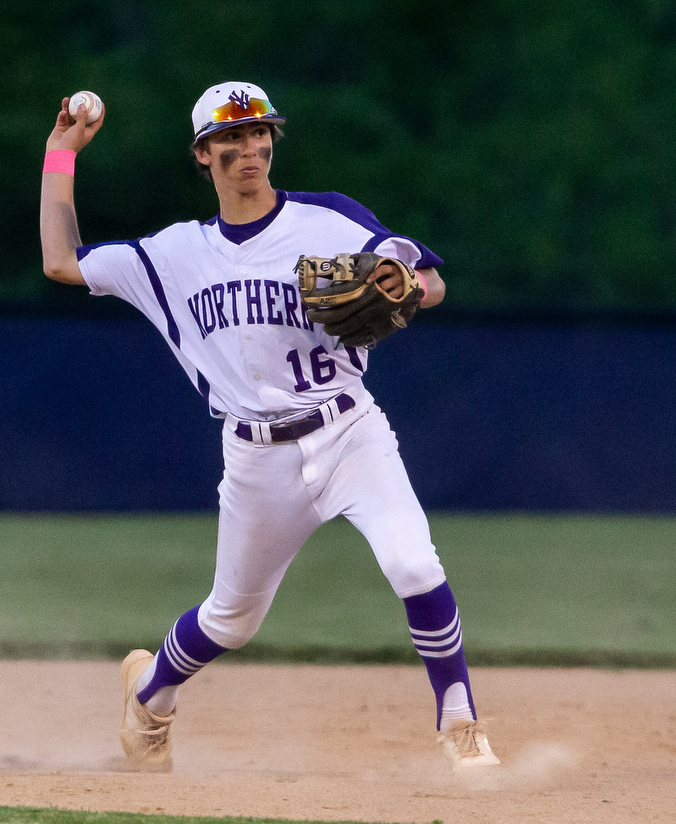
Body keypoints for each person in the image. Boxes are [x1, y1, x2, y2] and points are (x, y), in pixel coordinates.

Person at [39, 81, 500, 773]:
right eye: (231, 138)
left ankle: (461, 724)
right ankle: (148, 700)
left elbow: (428, 279)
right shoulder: (174, 255)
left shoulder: (329, 221)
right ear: (204, 154)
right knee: (231, 619)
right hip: (256, 458)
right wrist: (59, 155)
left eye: (260, 134)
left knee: (412, 561)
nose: (250, 147)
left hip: (349, 432)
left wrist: (404, 286)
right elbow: (61, 261)